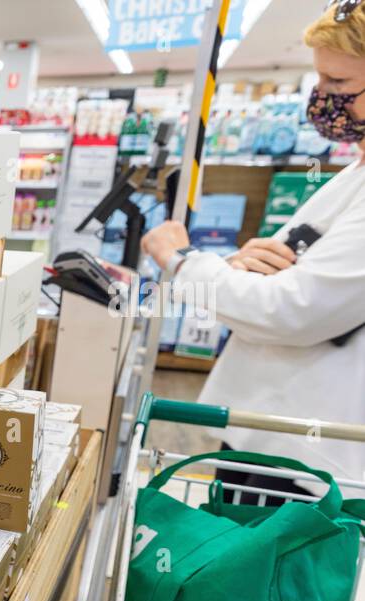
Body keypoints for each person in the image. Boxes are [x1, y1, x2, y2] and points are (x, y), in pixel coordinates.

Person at [142, 0, 365, 498]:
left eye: (339, 85)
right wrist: (245, 266)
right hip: (268, 439)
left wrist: (181, 261)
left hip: (303, 469)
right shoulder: (353, 174)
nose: (321, 99)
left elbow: (292, 309)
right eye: (320, 80)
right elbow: (291, 278)